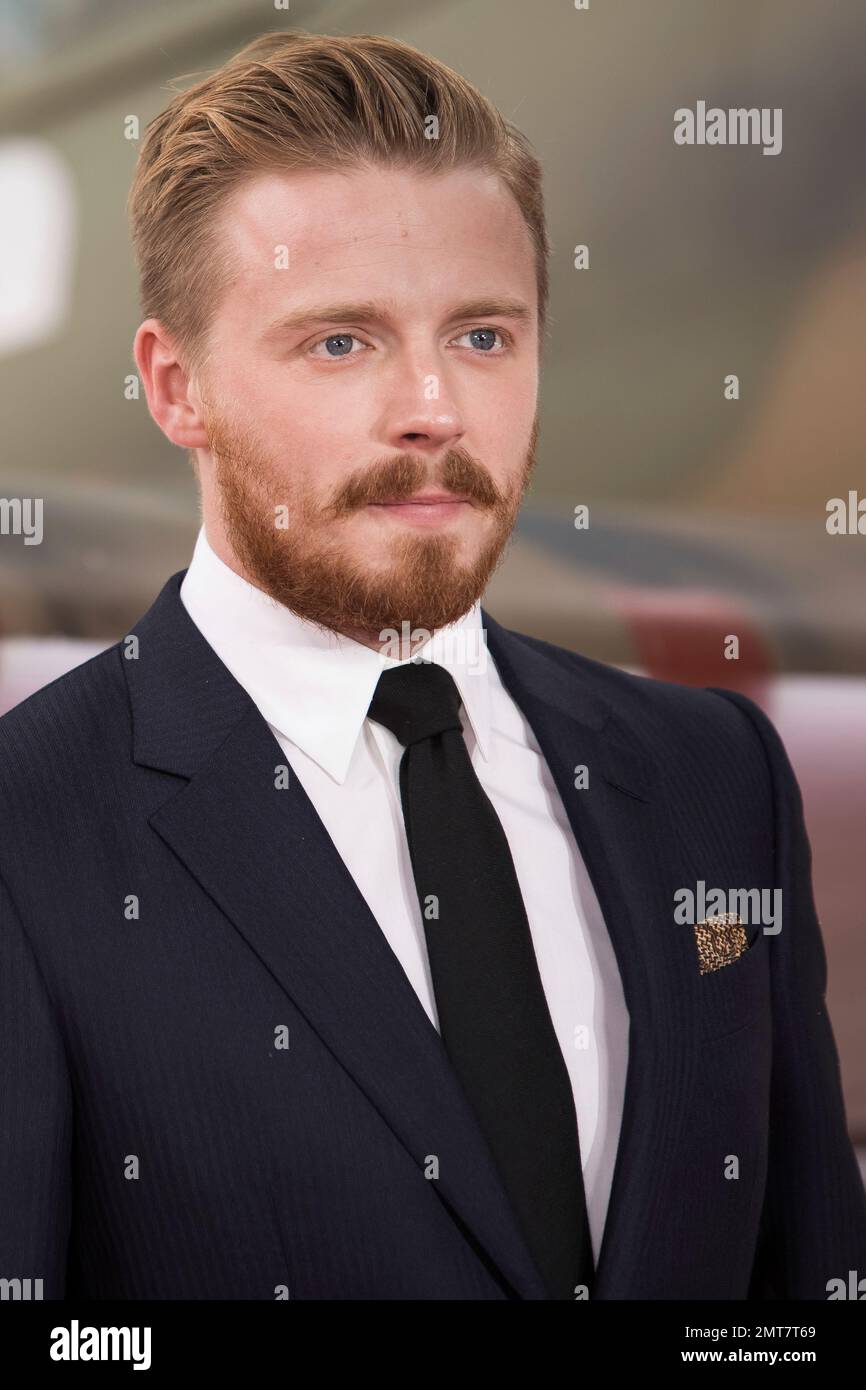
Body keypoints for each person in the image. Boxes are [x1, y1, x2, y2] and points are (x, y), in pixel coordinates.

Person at [1, 30, 864, 1301]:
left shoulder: (715, 776)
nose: (433, 409)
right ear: (176, 387)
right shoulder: (28, 824)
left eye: (481, 336)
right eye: (339, 343)